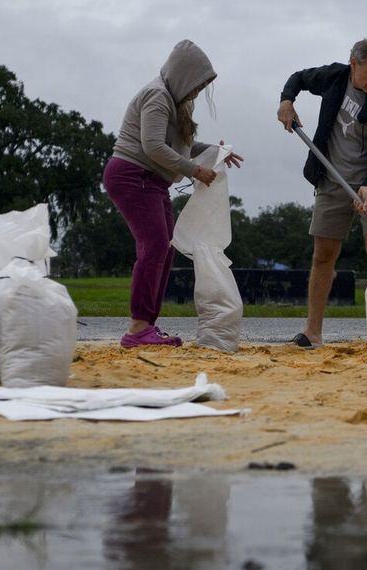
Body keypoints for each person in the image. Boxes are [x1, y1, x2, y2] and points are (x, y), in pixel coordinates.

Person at [104, 40, 243, 349]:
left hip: (152, 181)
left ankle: (146, 326)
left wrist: (215, 152)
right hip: (132, 175)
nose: (197, 91)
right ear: (184, 75)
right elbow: (152, 146)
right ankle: (138, 328)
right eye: (196, 84)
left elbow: (179, 148)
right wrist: (195, 171)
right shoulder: (157, 96)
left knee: (164, 250)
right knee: (153, 246)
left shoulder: (176, 101)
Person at [276, 39, 367, 348]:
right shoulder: (334, 77)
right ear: (354, 64)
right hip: (331, 179)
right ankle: (312, 331)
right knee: (323, 253)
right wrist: (286, 101)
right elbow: (298, 79)